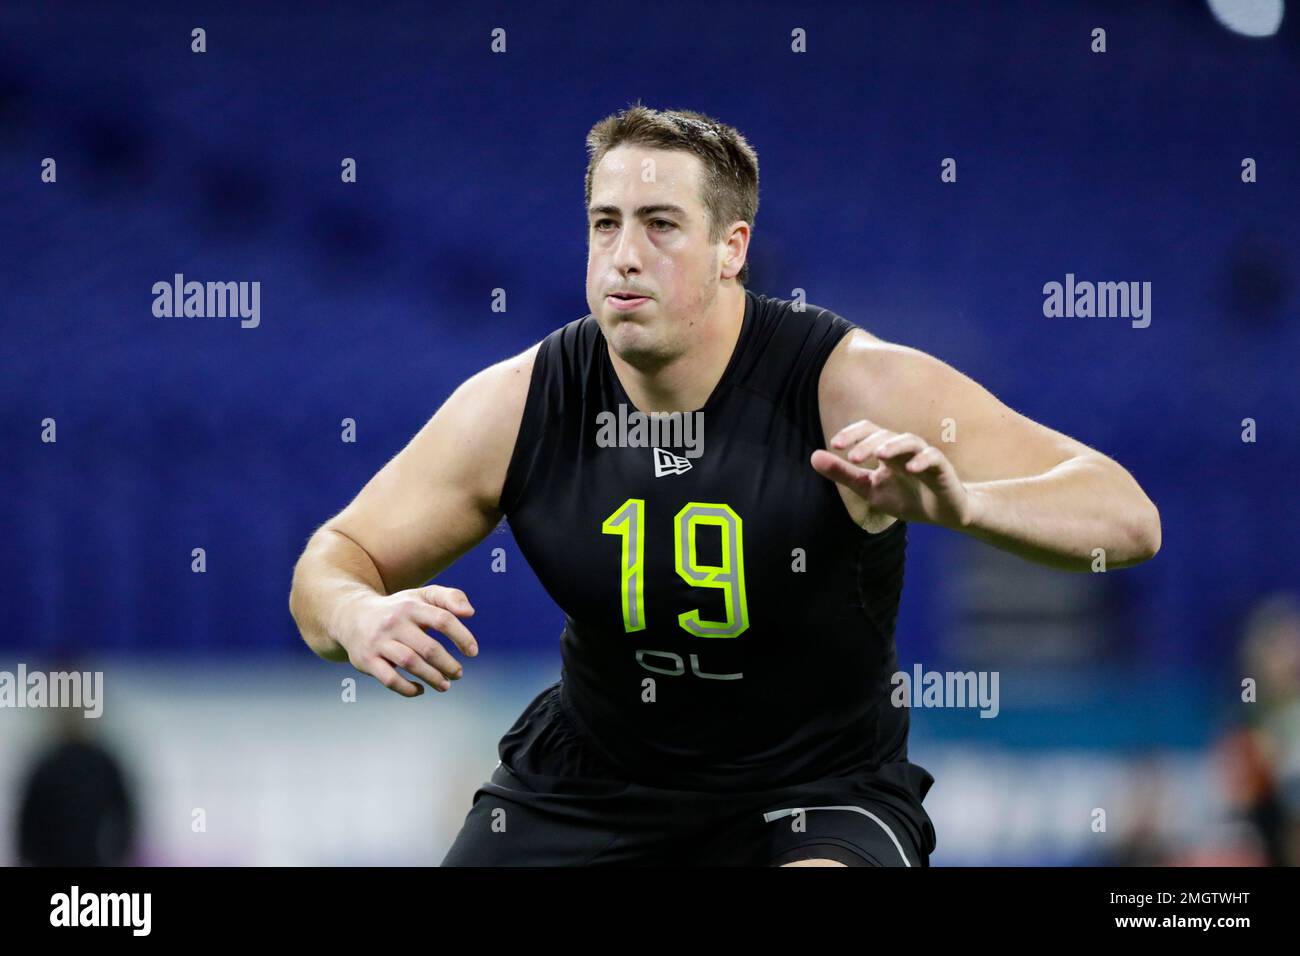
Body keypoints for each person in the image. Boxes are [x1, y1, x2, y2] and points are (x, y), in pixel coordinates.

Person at [288, 104, 1161, 866]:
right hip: (595, 784)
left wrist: (968, 507)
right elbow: (333, 560)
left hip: (813, 789)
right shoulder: (520, 402)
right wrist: (358, 614)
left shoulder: (845, 382)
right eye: (604, 223)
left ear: (730, 248)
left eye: (661, 224)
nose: (624, 256)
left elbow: (1125, 518)